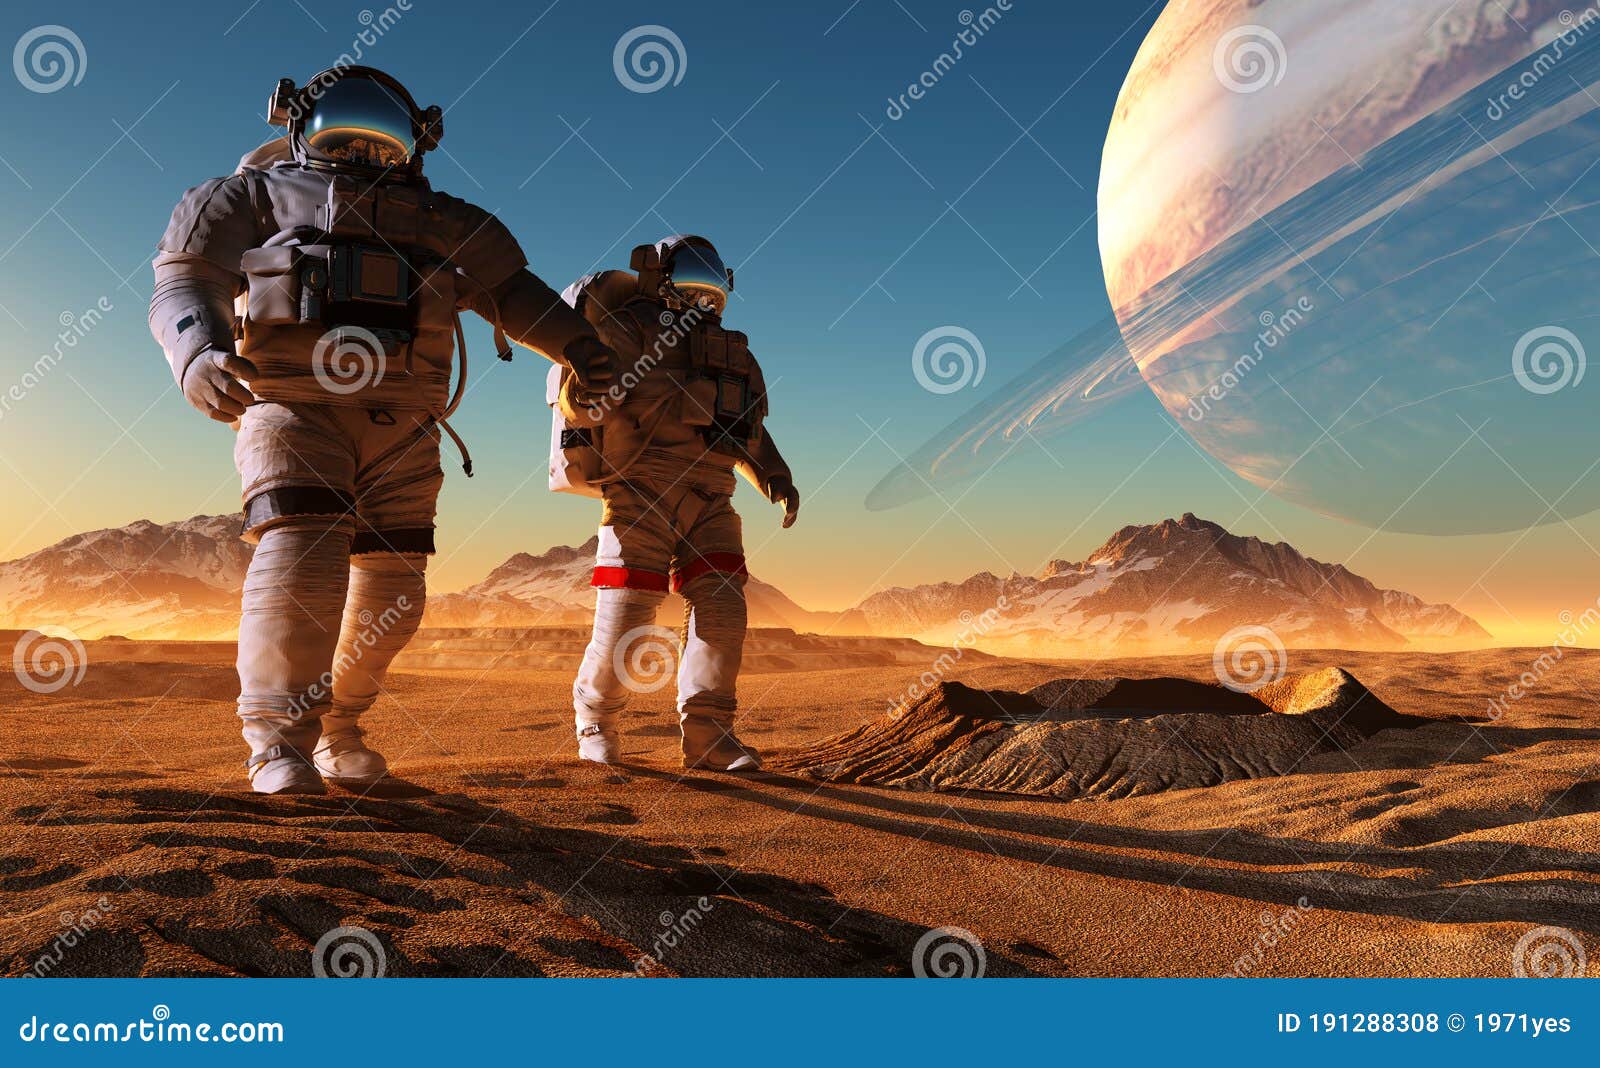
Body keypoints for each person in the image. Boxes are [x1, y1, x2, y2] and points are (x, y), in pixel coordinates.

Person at [148, 66, 616, 794]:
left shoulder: (447, 222)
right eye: (345, 131)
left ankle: (340, 727)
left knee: (396, 590)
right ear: (298, 129)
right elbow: (184, 280)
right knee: (304, 560)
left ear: (416, 144)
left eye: (382, 137)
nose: (365, 149)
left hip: (405, 423)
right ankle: (278, 745)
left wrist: (580, 347)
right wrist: (196, 354)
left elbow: (514, 294)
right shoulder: (247, 197)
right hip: (294, 408)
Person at [551, 235, 800, 771]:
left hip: (711, 495)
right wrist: (584, 392)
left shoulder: (735, 355)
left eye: (712, 280)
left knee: (724, 608)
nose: (705, 293)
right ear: (658, 278)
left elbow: (750, 429)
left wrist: (775, 476)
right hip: (639, 490)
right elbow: (579, 396)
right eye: (692, 277)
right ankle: (595, 718)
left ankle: (708, 733)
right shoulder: (629, 328)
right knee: (628, 616)